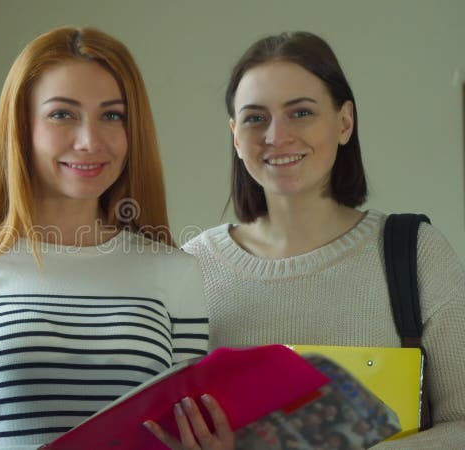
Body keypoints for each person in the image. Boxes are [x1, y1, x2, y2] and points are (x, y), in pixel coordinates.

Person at [0, 26, 232, 450]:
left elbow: (184, 429)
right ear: (21, 127)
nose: (89, 141)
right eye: (62, 114)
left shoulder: (174, 272)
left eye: (112, 115)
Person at [183, 31, 465, 448]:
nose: (276, 136)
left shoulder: (418, 253)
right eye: (255, 117)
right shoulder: (190, 269)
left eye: (300, 112)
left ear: (345, 122)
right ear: (235, 135)